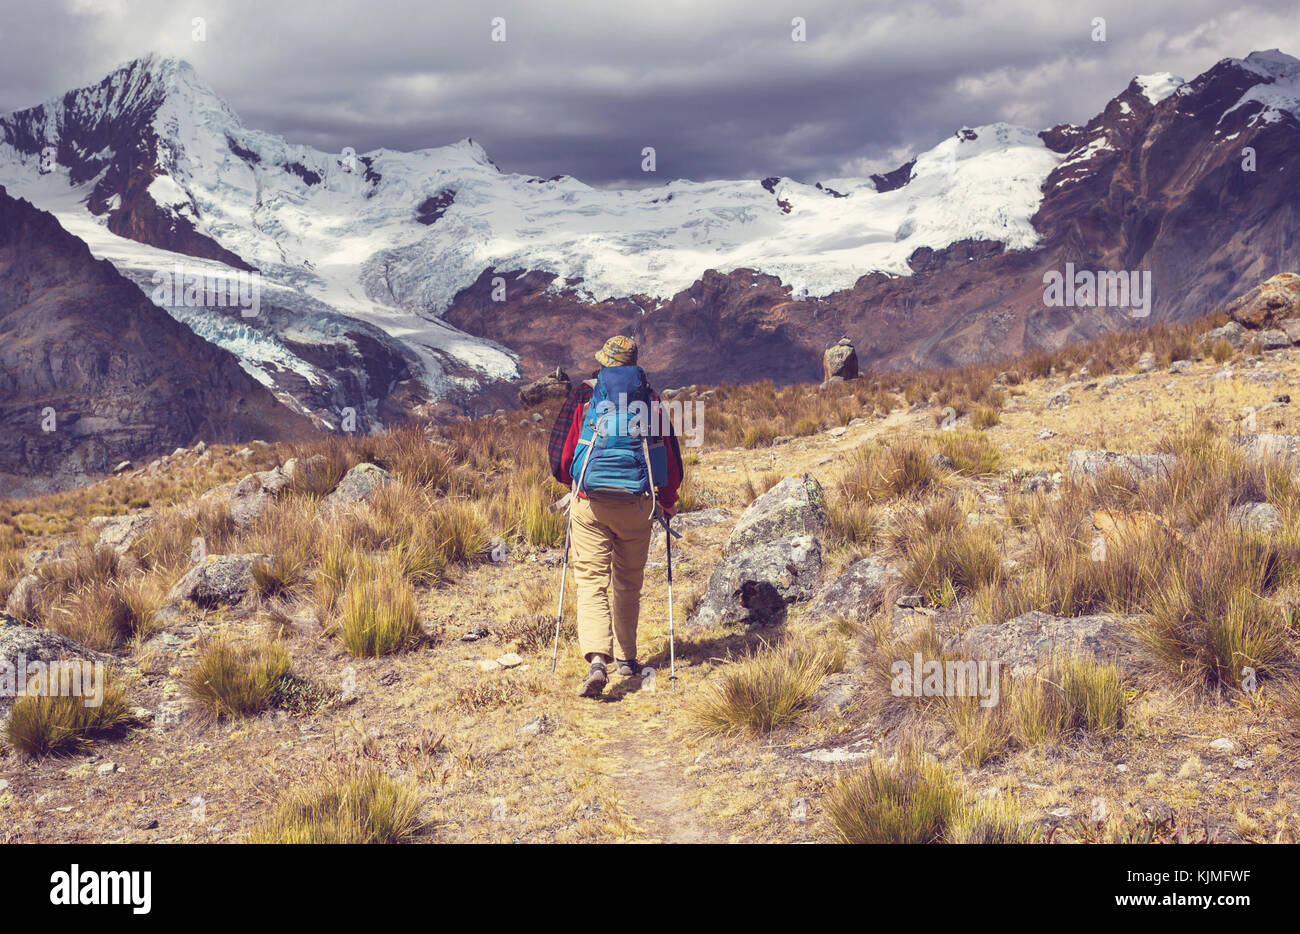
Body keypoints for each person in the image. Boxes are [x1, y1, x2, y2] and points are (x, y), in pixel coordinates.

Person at [548, 335, 684, 698]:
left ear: (605, 362)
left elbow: (561, 456)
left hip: (590, 502)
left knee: (591, 580)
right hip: (637, 505)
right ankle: (626, 658)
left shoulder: (585, 394)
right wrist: (667, 500)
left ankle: (597, 659)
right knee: (628, 581)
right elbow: (668, 457)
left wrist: (573, 481)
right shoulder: (650, 400)